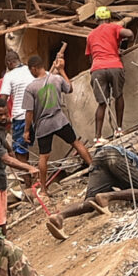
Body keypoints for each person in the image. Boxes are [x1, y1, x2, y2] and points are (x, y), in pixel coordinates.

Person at [27, 52, 90, 190]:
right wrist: (62, 70)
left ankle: (43, 190)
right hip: (59, 120)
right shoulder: (56, 79)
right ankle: (93, 167)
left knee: (43, 156)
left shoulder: (31, 88)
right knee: (76, 143)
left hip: (43, 126)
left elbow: (29, 112)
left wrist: (27, 130)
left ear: (33, 68)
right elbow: (70, 88)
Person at [85, 8, 132, 138]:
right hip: (114, 65)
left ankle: (98, 137)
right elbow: (129, 33)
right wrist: (121, 48)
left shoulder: (90, 35)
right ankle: (119, 129)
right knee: (118, 96)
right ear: (109, 18)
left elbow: (90, 57)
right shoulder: (113, 28)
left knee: (102, 103)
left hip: (97, 69)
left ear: (96, 19)